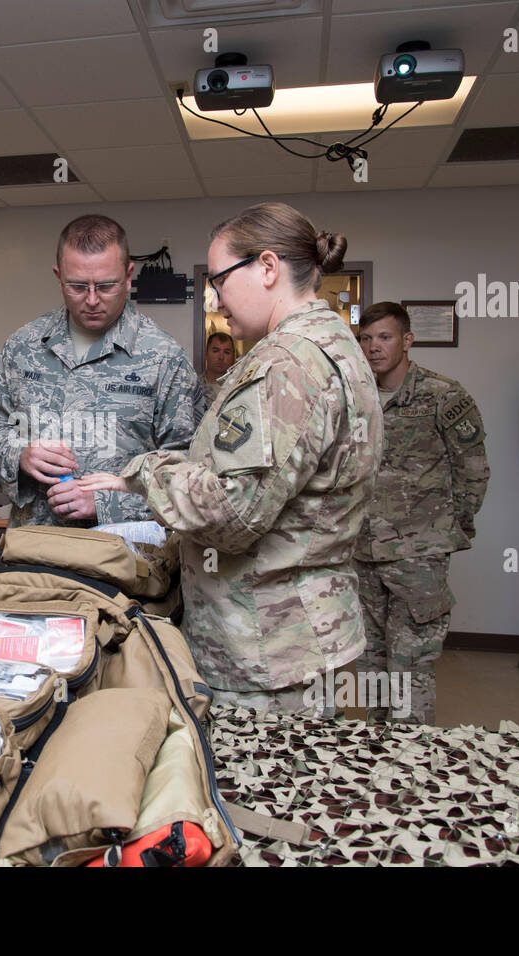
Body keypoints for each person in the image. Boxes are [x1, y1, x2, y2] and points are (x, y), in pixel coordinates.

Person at [77, 202, 382, 715]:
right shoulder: (335, 346)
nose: (215, 299)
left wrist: (143, 472)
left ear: (267, 268)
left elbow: (230, 516)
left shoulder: (285, 365)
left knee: (255, 793)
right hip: (300, 636)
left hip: (263, 651)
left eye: (219, 280)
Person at [0, 214, 204, 528]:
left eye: (106, 286)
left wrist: (110, 503)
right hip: (35, 553)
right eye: (78, 287)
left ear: (129, 274)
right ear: (58, 277)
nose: (92, 300)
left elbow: (193, 469)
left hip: (123, 560)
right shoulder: (23, 347)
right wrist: (20, 455)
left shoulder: (164, 358)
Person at [353, 302, 489, 725]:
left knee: (410, 664)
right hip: (364, 551)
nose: (374, 347)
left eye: (385, 337)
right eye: (366, 338)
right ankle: (375, 753)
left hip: (419, 557)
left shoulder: (442, 395)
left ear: (407, 341)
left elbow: (474, 470)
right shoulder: (357, 396)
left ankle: (412, 764)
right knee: (371, 661)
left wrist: (444, 532)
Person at [200, 331, 237, 405]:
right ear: (206, 354)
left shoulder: (238, 387)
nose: (221, 357)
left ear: (233, 356)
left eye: (226, 352)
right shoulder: (195, 387)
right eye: (215, 351)